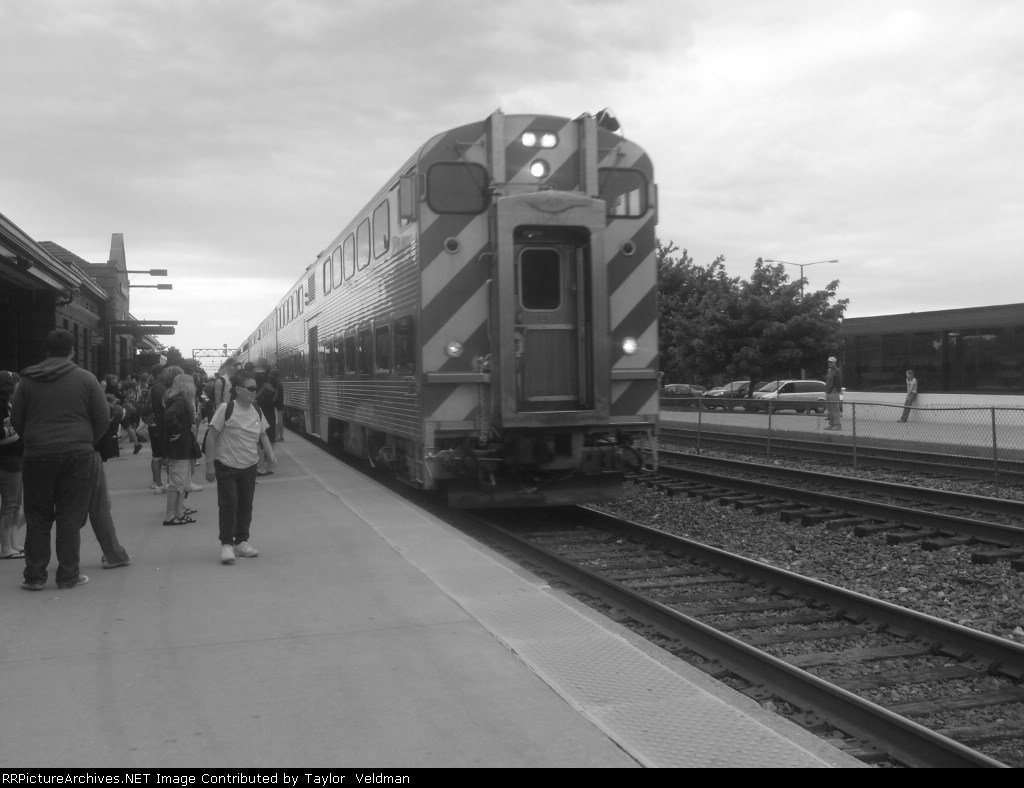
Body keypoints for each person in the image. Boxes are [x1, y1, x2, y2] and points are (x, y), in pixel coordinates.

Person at [11, 329, 108, 590]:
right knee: (69, 516)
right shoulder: (86, 379)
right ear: (72, 350)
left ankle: (34, 576)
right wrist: (86, 441)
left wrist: (33, 438)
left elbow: (16, 419)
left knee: (38, 517)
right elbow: (102, 418)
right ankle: (68, 575)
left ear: (46, 350)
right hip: (78, 455)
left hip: (37, 454)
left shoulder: (27, 381)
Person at [204, 372, 276, 565]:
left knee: (246, 505)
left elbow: (263, 435)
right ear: (237, 390)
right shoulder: (225, 409)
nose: (255, 392)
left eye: (255, 388)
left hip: (249, 466)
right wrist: (209, 464)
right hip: (226, 464)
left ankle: (241, 541)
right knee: (229, 504)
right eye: (250, 388)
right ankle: (226, 544)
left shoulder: (256, 411)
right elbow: (211, 436)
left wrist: (270, 454)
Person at [162, 373, 199, 526]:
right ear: (186, 386)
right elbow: (170, 416)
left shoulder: (177, 400)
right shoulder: (181, 402)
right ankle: (171, 515)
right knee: (176, 483)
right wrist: (178, 431)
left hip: (181, 447)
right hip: (180, 448)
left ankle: (178, 512)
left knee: (179, 482)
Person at [1, 370, 25, 559]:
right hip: (7, 459)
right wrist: (16, 433)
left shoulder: (9, 404)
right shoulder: (2, 406)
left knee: (16, 503)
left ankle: (13, 542)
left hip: (15, 457)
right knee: (10, 504)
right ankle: (6, 546)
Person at [253, 357, 277, 475]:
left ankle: (261, 467)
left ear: (257, 365)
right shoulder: (272, 379)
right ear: (267, 366)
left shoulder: (252, 378)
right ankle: (270, 467)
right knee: (270, 437)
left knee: (259, 438)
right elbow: (277, 394)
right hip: (270, 410)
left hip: (257, 410)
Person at [824, 356, 843, 431]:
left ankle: (838, 425)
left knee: (835, 409)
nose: (829, 363)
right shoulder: (829, 370)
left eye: (831, 362)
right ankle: (832, 424)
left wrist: (836, 389)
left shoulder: (837, 371)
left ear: (835, 363)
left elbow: (840, 381)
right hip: (828, 392)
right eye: (829, 362)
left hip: (834, 392)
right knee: (830, 409)